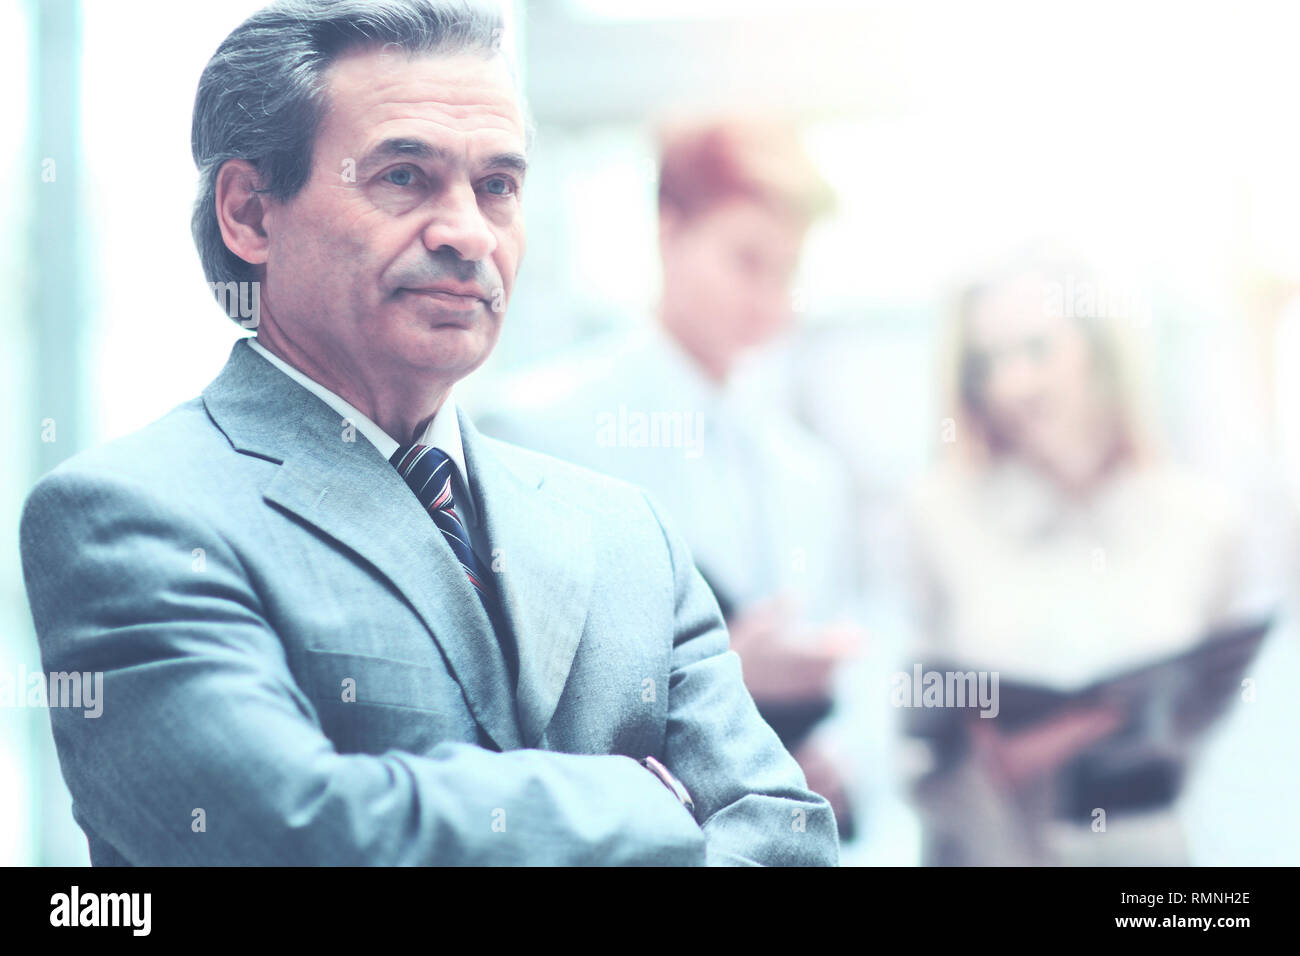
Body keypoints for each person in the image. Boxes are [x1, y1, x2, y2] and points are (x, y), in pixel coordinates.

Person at [17, 0, 837, 867]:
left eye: (498, 186)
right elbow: (293, 838)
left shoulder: (627, 534)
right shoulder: (132, 518)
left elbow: (788, 833)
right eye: (403, 177)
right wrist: (634, 800)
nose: (468, 232)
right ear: (250, 214)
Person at [478, 118, 867, 836]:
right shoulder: (532, 432)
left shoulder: (805, 472)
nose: (771, 301)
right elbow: (509, 703)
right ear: (668, 233)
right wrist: (720, 688)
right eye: (747, 261)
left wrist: (822, 754)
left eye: (789, 272)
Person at [899, 249, 1252, 865]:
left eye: (1037, 350)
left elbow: (1228, 747)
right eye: (990, 361)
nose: (1012, 385)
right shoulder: (938, 515)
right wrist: (989, 766)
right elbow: (914, 748)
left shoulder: (1203, 521)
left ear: (1102, 351)